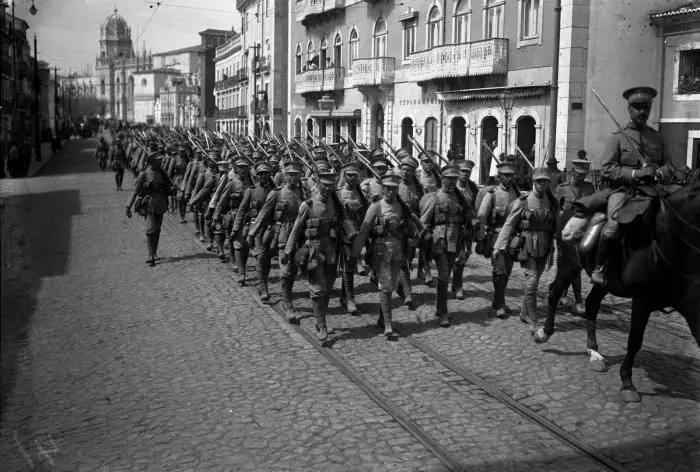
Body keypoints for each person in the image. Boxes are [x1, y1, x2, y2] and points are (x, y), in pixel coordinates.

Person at [591, 86, 670, 285]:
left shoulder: (657, 137)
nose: (642, 112)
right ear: (629, 109)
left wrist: (658, 172)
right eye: (637, 107)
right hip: (624, 191)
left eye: (646, 107)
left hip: (654, 190)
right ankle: (600, 267)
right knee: (614, 226)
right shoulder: (617, 137)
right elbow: (607, 169)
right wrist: (635, 173)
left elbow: (669, 165)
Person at [282, 172, 354, 345]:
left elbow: (345, 222)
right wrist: (288, 250)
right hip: (314, 251)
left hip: (332, 251)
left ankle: (319, 319)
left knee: (328, 288)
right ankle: (322, 325)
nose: (327, 189)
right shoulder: (308, 205)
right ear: (318, 184)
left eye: (331, 186)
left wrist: (352, 234)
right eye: (324, 185)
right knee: (317, 289)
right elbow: (296, 229)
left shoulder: (336, 204)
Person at [353, 173, 418, 338]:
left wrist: (416, 233)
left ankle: (382, 319)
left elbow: (411, 229)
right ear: (382, 189)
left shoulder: (402, 208)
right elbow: (364, 229)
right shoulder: (376, 206)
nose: (391, 192)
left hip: (398, 253)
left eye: (394, 189)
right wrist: (355, 253)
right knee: (386, 287)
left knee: (392, 285)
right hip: (381, 253)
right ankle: (388, 324)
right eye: (388, 188)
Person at [495, 168, 558, 335]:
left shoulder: (552, 202)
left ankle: (524, 313)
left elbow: (556, 225)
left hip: (545, 247)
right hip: (527, 246)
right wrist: (498, 247)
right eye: (539, 182)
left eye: (545, 182)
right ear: (533, 182)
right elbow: (509, 224)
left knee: (536, 279)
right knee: (532, 280)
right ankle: (533, 319)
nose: (542, 185)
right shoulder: (523, 202)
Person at [249, 161, 305, 317]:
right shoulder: (277, 193)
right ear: (285, 175)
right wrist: (252, 232)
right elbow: (264, 212)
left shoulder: (303, 192)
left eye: (297, 175)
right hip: (283, 233)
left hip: (300, 235)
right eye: (290, 175)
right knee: (285, 270)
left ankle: (287, 295)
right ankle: (287, 303)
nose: (294, 178)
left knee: (294, 269)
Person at [420, 164, 471, 327]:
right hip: (439, 243)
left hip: (455, 241)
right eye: (448, 179)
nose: (451, 182)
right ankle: (443, 312)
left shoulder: (460, 198)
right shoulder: (434, 198)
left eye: (454, 179)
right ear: (441, 179)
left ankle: (438, 306)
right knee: (443, 274)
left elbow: (466, 218)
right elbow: (423, 222)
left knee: (446, 275)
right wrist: (427, 236)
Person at [551, 159, 595, 314]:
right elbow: (556, 211)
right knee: (572, 265)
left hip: (583, 231)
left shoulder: (590, 188)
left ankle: (562, 293)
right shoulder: (562, 189)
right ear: (572, 172)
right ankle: (577, 300)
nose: (579, 177)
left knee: (575, 265)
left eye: (582, 175)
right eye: (577, 174)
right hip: (566, 232)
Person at [477, 162, 521, 318]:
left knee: (507, 271)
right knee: (499, 271)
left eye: (511, 176)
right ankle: (500, 304)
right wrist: (481, 238)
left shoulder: (516, 194)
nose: (509, 179)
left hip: (512, 239)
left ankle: (497, 301)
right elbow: (482, 216)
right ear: (499, 177)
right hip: (496, 237)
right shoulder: (492, 194)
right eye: (506, 176)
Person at [233, 162, 276, 296]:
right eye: (260, 174)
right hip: (256, 228)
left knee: (267, 258)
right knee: (261, 256)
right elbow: (241, 210)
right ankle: (263, 287)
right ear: (256, 176)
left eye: (266, 173)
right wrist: (236, 228)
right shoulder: (250, 191)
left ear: (270, 175)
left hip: (272, 228)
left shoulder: (275, 191)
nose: (263, 176)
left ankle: (263, 281)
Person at [126, 152, 174, 267]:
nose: (160, 162)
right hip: (149, 204)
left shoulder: (162, 172)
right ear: (152, 162)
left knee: (157, 229)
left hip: (161, 203)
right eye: (158, 160)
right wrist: (128, 206)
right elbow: (135, 190)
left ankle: (154, 252)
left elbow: (170, 184)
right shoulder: (144, 174)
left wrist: (171, 189)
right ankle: (150, 255)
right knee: (150, 228)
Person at [337, 162, 369, 315]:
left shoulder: (361, 194)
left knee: (348, 267)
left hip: (357, 234)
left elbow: (367, 214)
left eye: (355, 176)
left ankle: (347, 298)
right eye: (349, 175)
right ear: (344, 176)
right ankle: (348, 298)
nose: (352, 178)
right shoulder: (338, 193)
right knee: (346, 267)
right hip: (342, 234)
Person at [452, 160, 479, 299]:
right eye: (462, 171)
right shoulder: (451, 187)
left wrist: (474, 218)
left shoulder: (473, 188)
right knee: (451, 258)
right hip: (452, 227)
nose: (465, 174)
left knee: (462, 257)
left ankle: (457, 285)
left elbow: (476, 207)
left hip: (466, 229)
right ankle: (455, 284)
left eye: (467, 171)